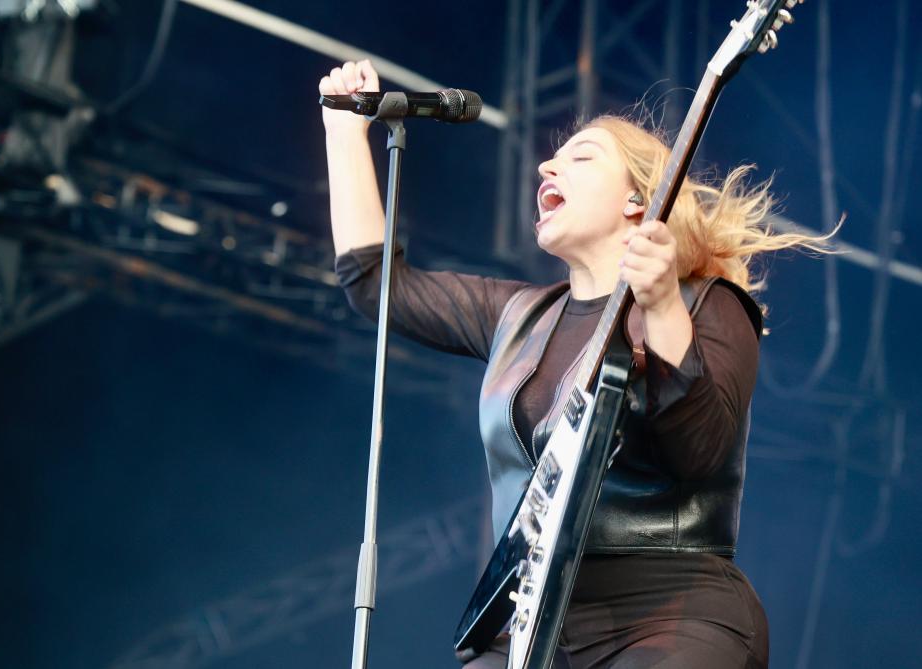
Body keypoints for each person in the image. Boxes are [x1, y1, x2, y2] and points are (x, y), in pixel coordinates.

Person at [320, 59, 835, 669]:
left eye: (582, 156)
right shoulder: (519, 316)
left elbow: (700, 448)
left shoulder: (707, 304)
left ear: (639, 199)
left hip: (671, 614)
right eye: (553, 157)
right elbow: (377, 285)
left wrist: (664, 302)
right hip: (529, 625)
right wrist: (342, 131)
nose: (547, 164)